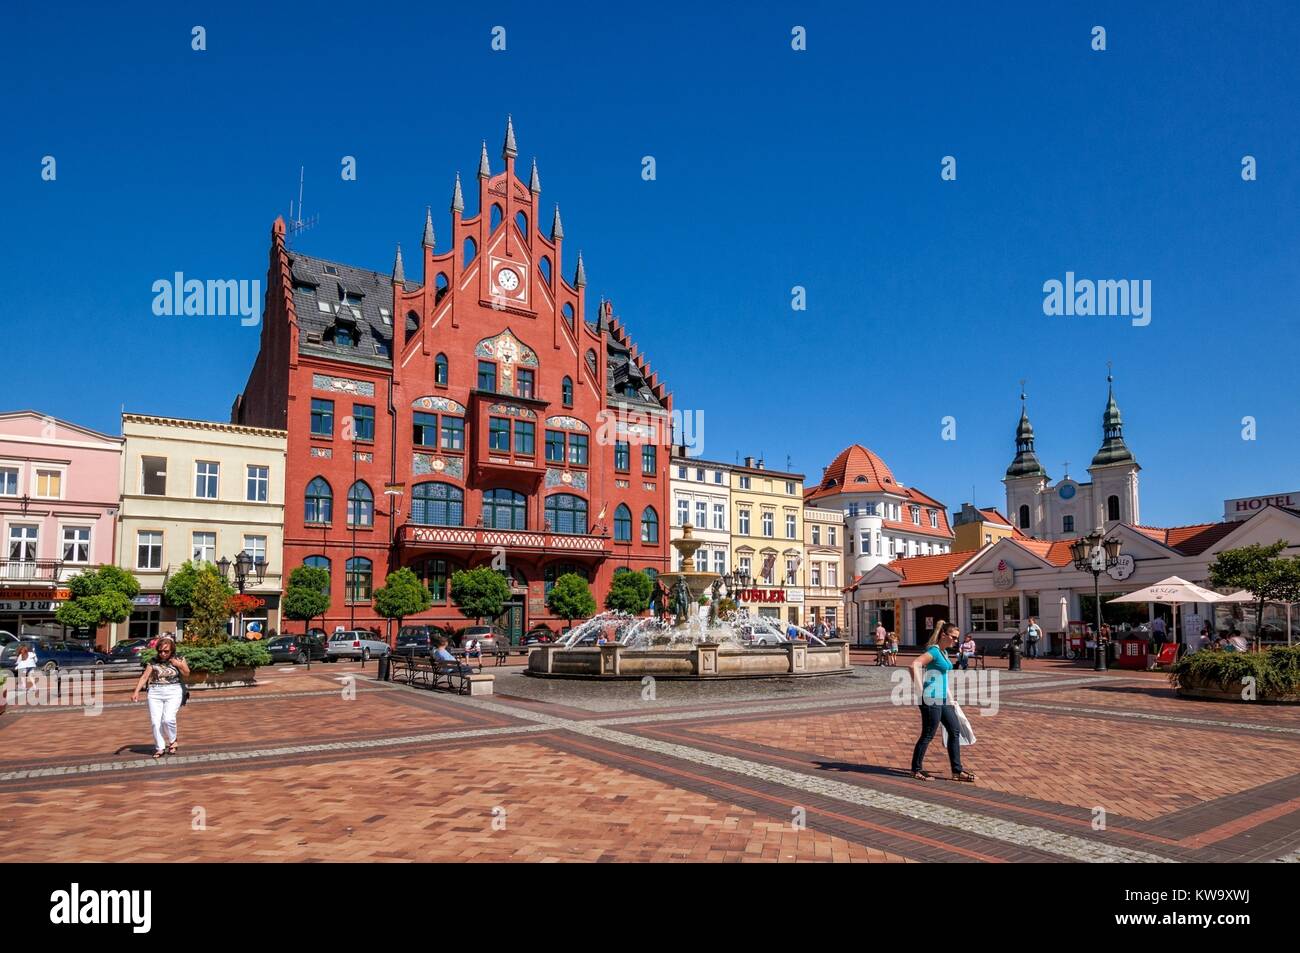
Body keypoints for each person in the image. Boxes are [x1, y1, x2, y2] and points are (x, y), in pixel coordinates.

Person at [909, 621, 975, 783]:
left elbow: (943, 677)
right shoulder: (934, 651)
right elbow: (914, 665)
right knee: (928, 734)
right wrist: (920, 691)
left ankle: (957, 771)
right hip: (930, 698)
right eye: (953, 637)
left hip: (943, 698)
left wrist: (951, 698)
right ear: (944, 635)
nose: (955, 641)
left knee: (954, 730)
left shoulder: (944, 653)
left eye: (957, 638)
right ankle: (916, 769)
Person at [130, 637, 190, 759]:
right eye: (160, 651)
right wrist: (136, 691)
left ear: (172, 650)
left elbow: (187, 673)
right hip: (155, 692)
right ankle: (160, 747)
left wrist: (178, 664)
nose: (163, 654)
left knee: (168, 719)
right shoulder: (153, 661)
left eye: (166, 651)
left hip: (173, 690)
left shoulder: (178, 658)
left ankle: (173, 740)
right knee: (155, 722)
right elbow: (144, 677)